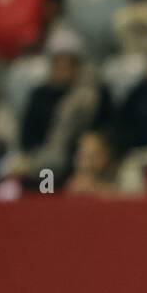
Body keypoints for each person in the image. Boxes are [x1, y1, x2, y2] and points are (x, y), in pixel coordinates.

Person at [18, 26, 110, 179]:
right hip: (44, 156)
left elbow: (104, 127)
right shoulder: (40, 95)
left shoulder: (94, 94)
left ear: (78, 65)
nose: (63, 67)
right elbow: (27, 136)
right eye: (59, 62)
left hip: (82, 157)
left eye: (68, 62)